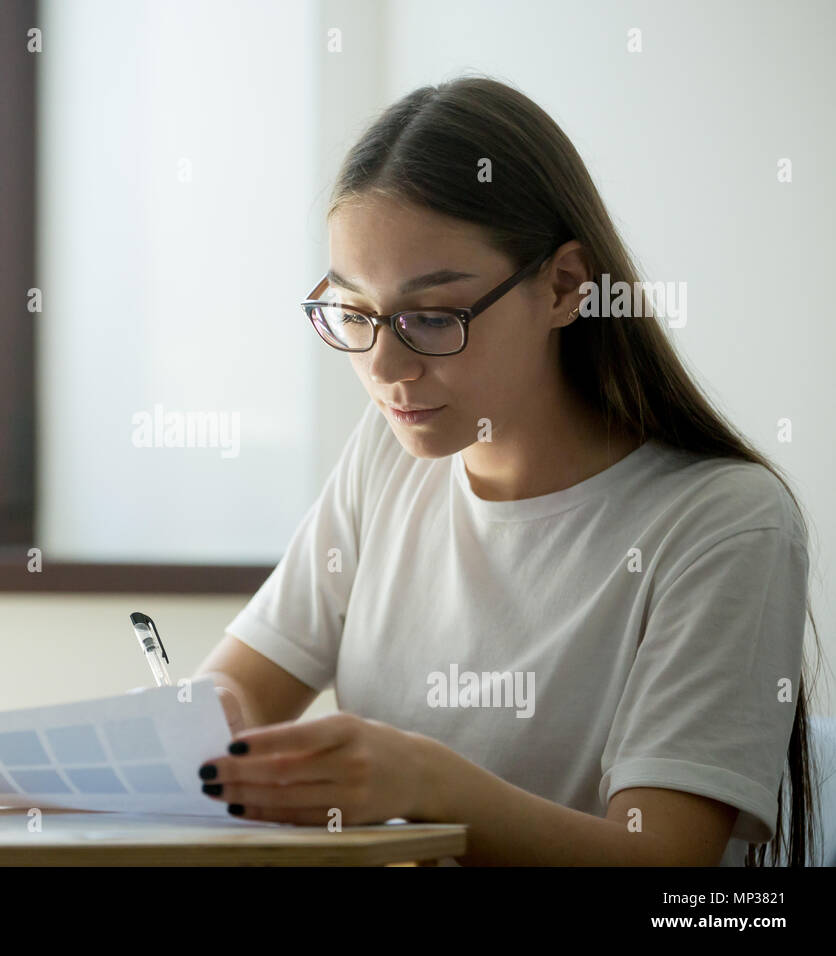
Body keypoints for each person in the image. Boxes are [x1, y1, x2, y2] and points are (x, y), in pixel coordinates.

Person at [194, 75, 822, 866]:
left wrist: (427, 781)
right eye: (355, 314)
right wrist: (199, 720)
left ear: (563, 288)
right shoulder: (387, 454)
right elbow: (239, 693)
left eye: (432, 317)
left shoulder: (723, 521)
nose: (386, 366)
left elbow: (668, 866)